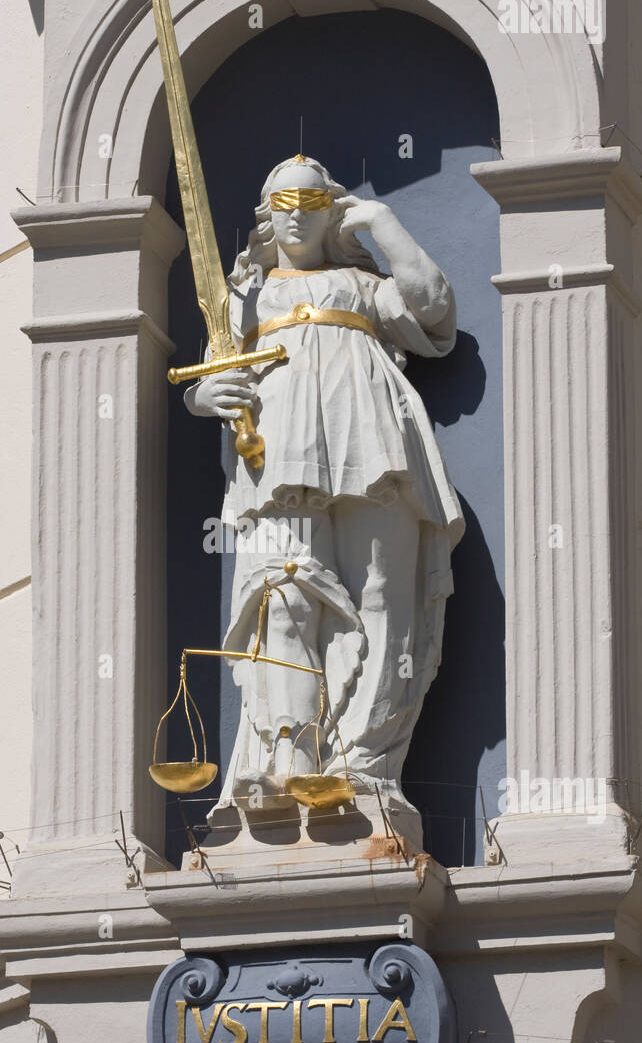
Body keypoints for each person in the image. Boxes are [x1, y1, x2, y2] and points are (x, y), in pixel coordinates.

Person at [184, 155, 464, 811]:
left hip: (372, 442)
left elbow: (432, 314)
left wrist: (385, 225)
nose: (296, 213)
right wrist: (205, 396)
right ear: (265, 215)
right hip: (275, 450)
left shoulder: (362, 288)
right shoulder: (242, 295)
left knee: (382, 599)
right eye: (282, 201)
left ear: (331, 211)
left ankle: (361, 761)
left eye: (312, 202)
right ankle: (290, 754)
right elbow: (211, 374)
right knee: (280, 598)